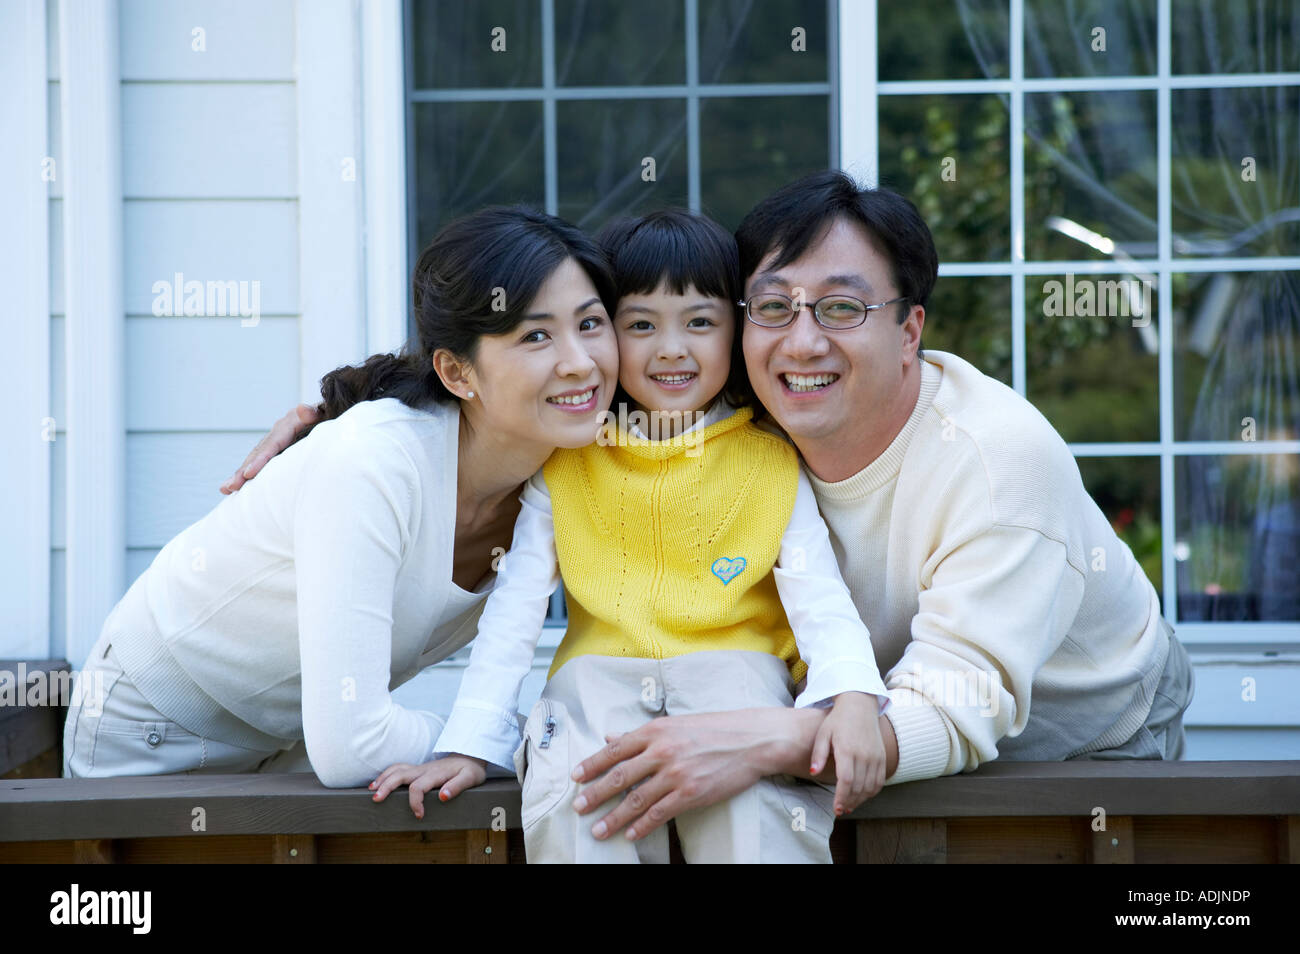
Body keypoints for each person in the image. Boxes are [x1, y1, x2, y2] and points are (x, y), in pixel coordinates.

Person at [235, 171, 1194, 847]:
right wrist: (342, 419)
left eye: (844, 309)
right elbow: (512, 370)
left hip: (1078, 752)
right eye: (773, 306)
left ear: (912, 330)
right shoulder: (750, 426)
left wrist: (789, 730)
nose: (801, 338)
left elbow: (968, 699)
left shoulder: (997, 461)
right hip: (860, 735)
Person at [369, 210, 891, 863]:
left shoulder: (768, 459)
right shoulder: (569, 457)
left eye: (700, 322)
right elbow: (515, 611)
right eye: (640, 325)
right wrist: (471, 741)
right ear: (607, 335)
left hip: (736, 679)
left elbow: (820, 597)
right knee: (576, 786)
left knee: (754, 810)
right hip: (596, 680)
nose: (671, 349)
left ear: (735, 330)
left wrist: (854, 695)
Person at [62, 206, 621, 785]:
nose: (579, 363)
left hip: (296, 745)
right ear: (458, 374)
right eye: (535, 335)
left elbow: (697, 402)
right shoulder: (371, 461)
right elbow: (353, 744)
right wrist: (519, 743)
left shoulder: (567, 471)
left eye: (589, 324)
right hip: (154, 730)